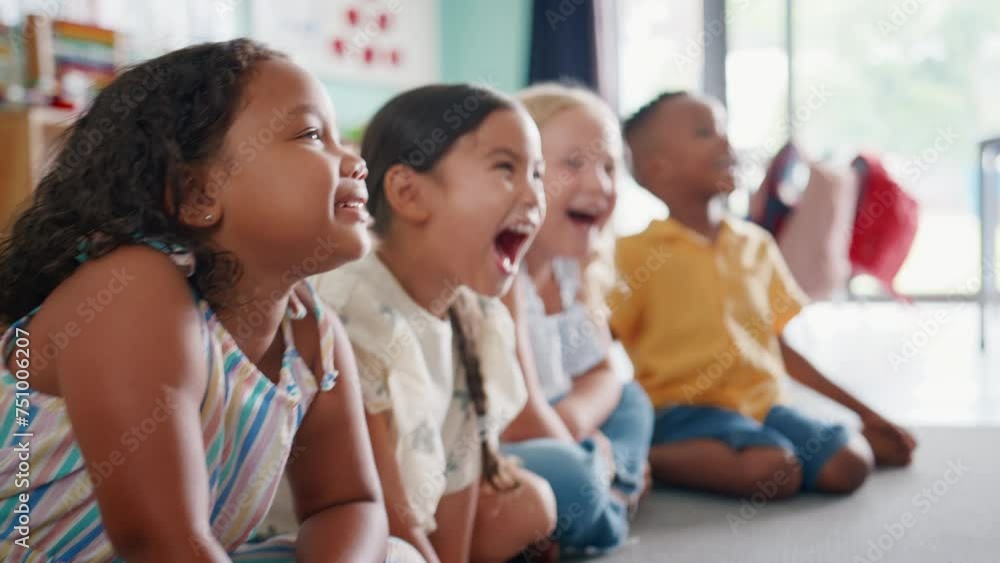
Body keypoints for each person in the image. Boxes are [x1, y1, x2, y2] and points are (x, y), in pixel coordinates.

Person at [0, 39, 419, 562]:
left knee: (395, 555)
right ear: (198, 195)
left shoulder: (312, 333)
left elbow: (347, 502)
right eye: (312, 135)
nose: (355, 162)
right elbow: (159, 543)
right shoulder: (132, 289)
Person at [612, 91, 917, 499]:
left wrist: (866, 414)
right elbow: (598, 350)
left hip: (765, 406)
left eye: (724, 130)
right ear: (656, 167)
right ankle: (642, 455)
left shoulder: (756, 245)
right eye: (704, 133)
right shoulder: (631, 255)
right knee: (773, 469)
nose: (726, 142)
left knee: (850, 463)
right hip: (681, 413)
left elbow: (780, 348)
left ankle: (755, 449)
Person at [312, 84, 557, 563]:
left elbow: (455, 478)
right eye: (505, 168)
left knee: (532, 502)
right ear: (408, 193)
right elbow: (386, 514)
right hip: (332, 537)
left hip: (403, 521)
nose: (534, 194)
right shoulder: (351, 308)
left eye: (537, 173)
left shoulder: (473, 316)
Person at [500, 83, 654, 558]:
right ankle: (614, 496)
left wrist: (573, 422)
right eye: (573, 163)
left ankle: (601, 495)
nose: (601, 185)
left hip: (559, 419)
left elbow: (604, 373)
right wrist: (580, 446)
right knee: (568, 475)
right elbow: (520, 421)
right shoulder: (502, 276)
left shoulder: (573, 271)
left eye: (609, 167)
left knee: (633, 401)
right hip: (507, 436)